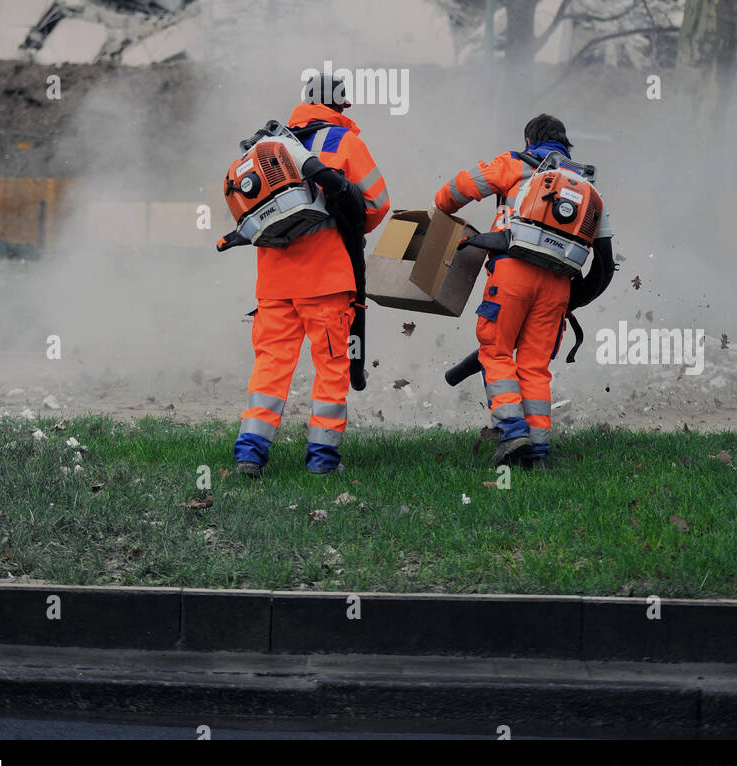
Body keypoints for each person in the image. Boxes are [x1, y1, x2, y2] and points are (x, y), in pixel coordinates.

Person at [433, 114, 614, 470]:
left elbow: (454, 192)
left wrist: (442, 209)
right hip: (558, 285)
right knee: (534, 366)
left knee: (496, 352)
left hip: (512, 272)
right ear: (566, 145)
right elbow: (604, 266)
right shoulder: (589, 190)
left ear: (529, 140)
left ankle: (513, 431)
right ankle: (538, 453)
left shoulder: (515, 163)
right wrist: (571, 301)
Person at [234, 71, 390, 478]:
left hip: (273, 283)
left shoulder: (268, 145)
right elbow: (376, 206)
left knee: (270, 365)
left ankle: (250, 453)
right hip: (327, 281)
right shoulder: (345, 143)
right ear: (340, 106)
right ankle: (322, 461)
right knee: (332, 367)